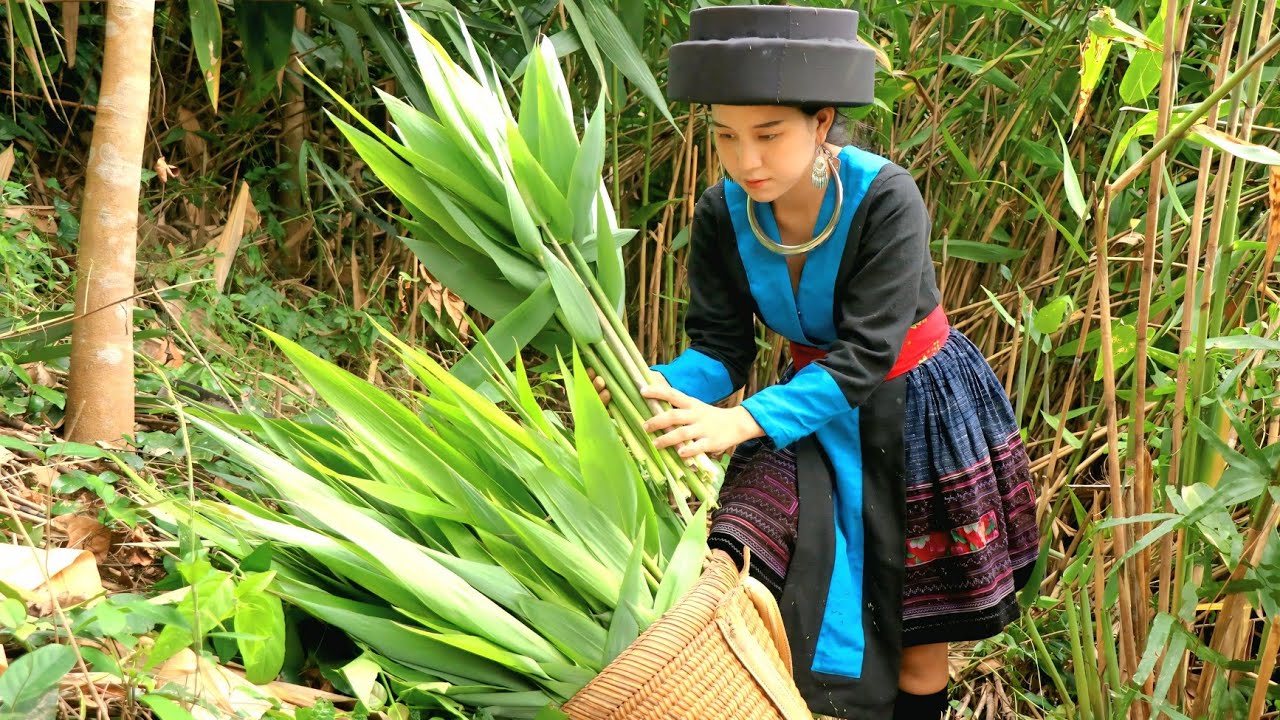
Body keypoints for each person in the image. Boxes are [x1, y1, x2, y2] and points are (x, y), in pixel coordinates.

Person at [595, 6, 1041, 719]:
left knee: (917, 637)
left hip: (914, 412)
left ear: (822, 120)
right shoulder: (722, 212)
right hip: (804, 412)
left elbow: (868, 354)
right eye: (727, 137)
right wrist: (651, 385)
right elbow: (720, 348)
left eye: (769, 135)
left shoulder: (885, 197)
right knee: (765, 586)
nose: (748, 161)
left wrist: (740, 422)